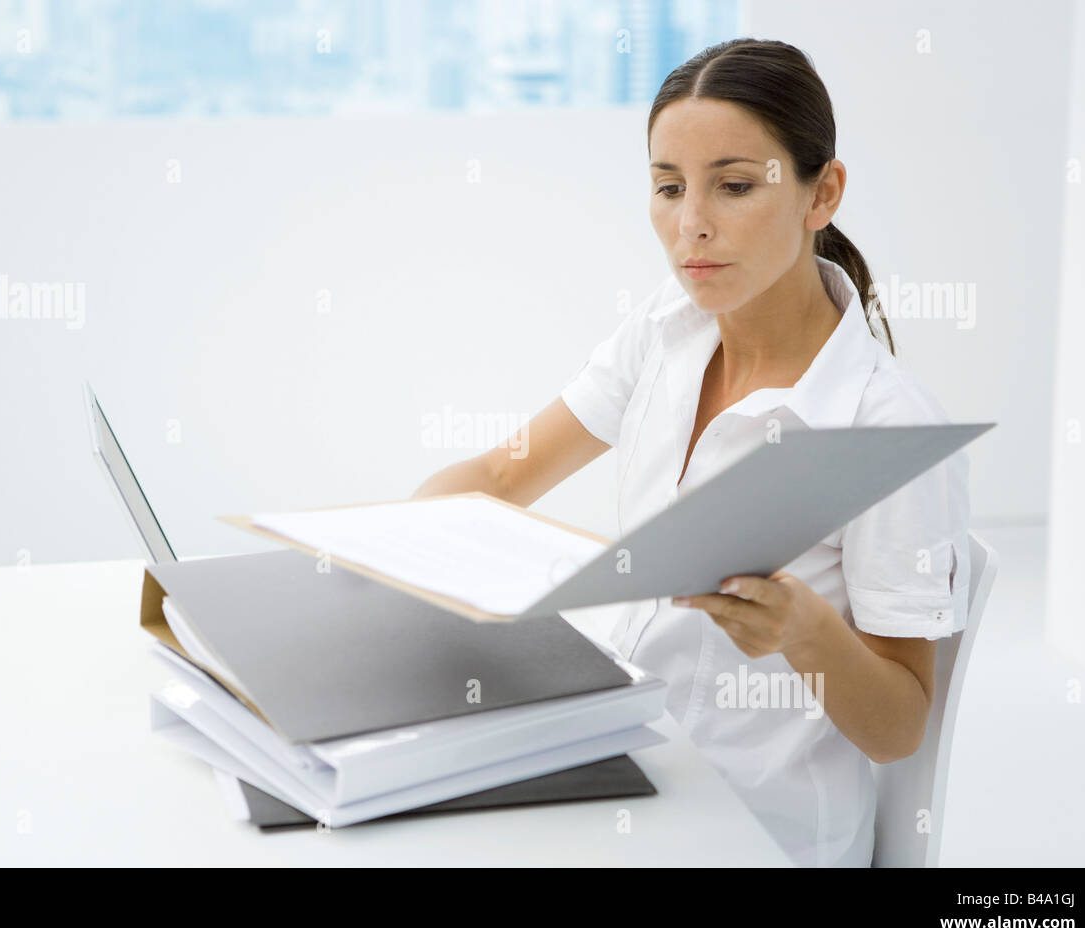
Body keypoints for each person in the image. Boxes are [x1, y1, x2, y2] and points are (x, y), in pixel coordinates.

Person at [412, 37, 970, 867]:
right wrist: (398, 542)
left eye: (734, 186)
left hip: (757, 828)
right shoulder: (665, 331)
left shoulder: (882, 426)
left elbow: (898, 727)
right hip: (624, 756)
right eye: (668, 187)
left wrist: (805, 631)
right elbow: (503, 473)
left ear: (824, 194)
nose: (690, 224)